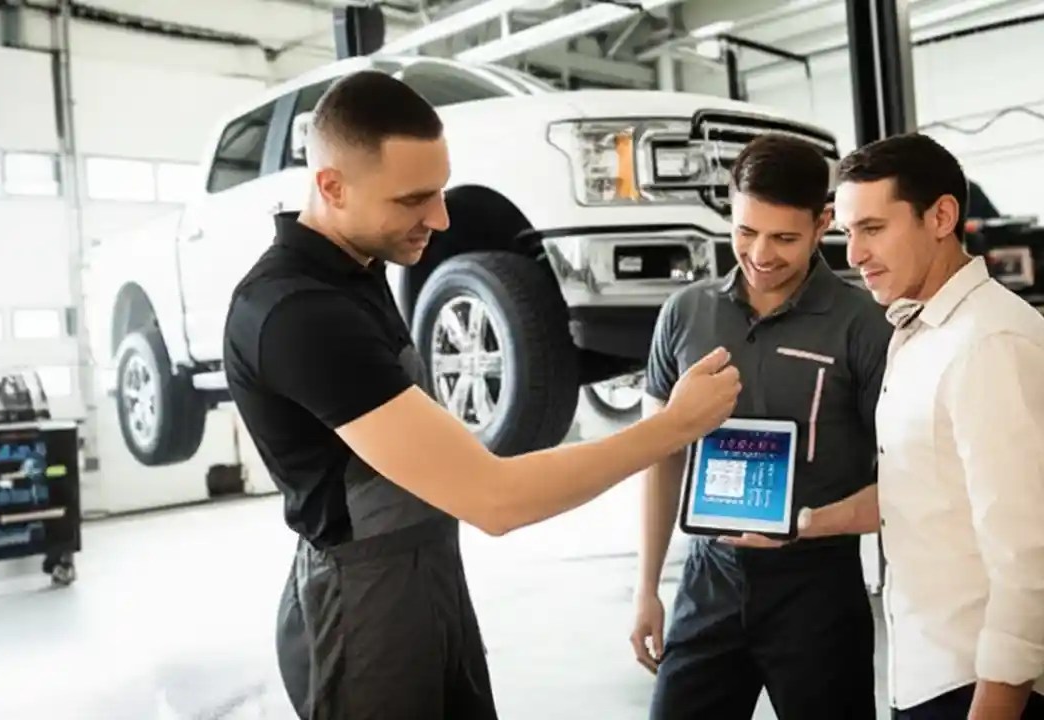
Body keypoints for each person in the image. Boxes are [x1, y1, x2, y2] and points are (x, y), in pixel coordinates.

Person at [222, 71, 742, 719]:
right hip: (363, 610)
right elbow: (496, 498)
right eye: (414, 199)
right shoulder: (299, 312)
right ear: (331, 186)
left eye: (439, 191)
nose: (439, 219)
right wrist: (671, 427)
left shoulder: (358, 268)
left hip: (425, 575)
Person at [629, 133, 892, 720]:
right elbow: (661, 455)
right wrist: (647, 585)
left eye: (784, 238)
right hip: (708, 580)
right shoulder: (685, 314)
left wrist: (813, 524)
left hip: (818, 589)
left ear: (824, 223)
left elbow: (911, 475)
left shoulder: (864, 325)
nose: (761, 254)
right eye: (745, 232)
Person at [832, 132, 1044, 720]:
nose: (853, 254)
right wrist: (806, 523)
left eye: (872, 228)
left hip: (991, 687)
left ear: (941, 216)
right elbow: (925, 488)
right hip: (935, 672)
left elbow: (1030, 560)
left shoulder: (989, 346)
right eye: (847, 232)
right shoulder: (927, 332)